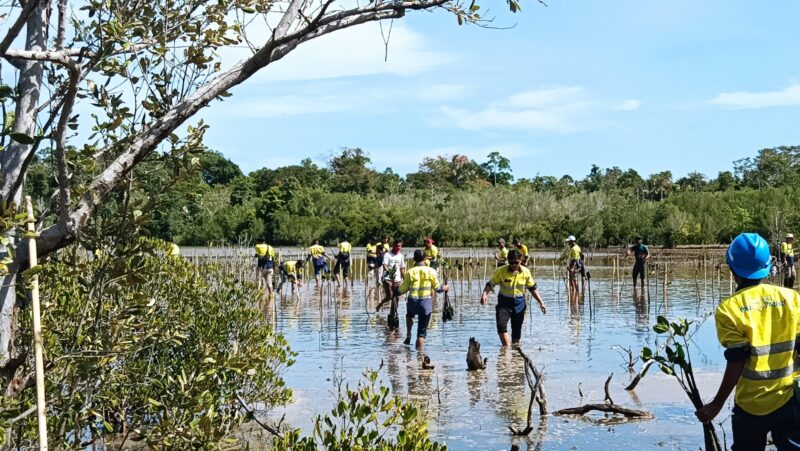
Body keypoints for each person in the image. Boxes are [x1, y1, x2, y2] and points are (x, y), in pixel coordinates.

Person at [695, 233, 800, 450]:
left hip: (752, 406)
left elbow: (736, 361)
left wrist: (716, 404)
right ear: (767, 265)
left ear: (732, 268)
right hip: (790, 398)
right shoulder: (792, 298)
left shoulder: (729, 310)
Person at [480, 249, 547, 347]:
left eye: (516, 262)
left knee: (516, 333)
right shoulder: (501, 271)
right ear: (508, 261)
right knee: (501, 326)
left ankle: (515, 356)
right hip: (504, 302)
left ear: (520, 260)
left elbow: (532, 288)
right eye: (511, 263)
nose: (514, 265)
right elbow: (491, 284)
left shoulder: (526, 272)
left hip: (519, 303)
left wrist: (541, 302)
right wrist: (485, 294)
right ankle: (506, 351)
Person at [399, 250, 449, 348]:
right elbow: (438, 289)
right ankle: (419, 356)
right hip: (425, 304)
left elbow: (403, 290)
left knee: (409, 315)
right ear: (425, 259)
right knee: (421, 334)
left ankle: (409, 333)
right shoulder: (431, 271)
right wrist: (445, 287)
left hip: (412, 302)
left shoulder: (410, 272)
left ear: (414, 260)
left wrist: (396, 290)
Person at [376, 239, 406, 316]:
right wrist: (389, 271)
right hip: (387, 278)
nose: (398, 247)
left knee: (396, 297)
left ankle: (393, 313)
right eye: (396, 246)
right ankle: (381, 304)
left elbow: (402, 268)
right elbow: (385, 265)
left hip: (397, 279)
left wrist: (405, 279)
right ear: (393, 245)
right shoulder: (387, 255)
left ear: (401, 246)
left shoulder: (401, 256)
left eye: (399, 246)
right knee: (390, 296)